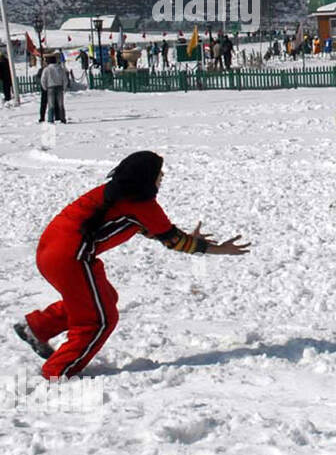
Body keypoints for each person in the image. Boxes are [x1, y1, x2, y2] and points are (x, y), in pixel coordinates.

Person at [12, 151, 251, 379]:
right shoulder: (142, 205)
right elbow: (173, 241)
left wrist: (187, 239)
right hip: (70, 259)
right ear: (147, 178)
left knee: (103, 298)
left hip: (52, 253)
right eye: (160, 173)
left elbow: (153, 230)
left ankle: (37, 328)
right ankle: (57, 372)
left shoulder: (115, 193)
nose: (163, 177)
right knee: (99, 319)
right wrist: (221, 250)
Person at [41, 54, 68, 123]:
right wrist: (64, 87)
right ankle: (62, 118)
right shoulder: (60, 68)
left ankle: (50, 119)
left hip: (50, 88)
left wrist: (45, 88)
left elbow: (43, 79)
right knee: (61, 104)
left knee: (51, 104)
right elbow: (65, 79)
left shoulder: (46, 69)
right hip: (59, 87)